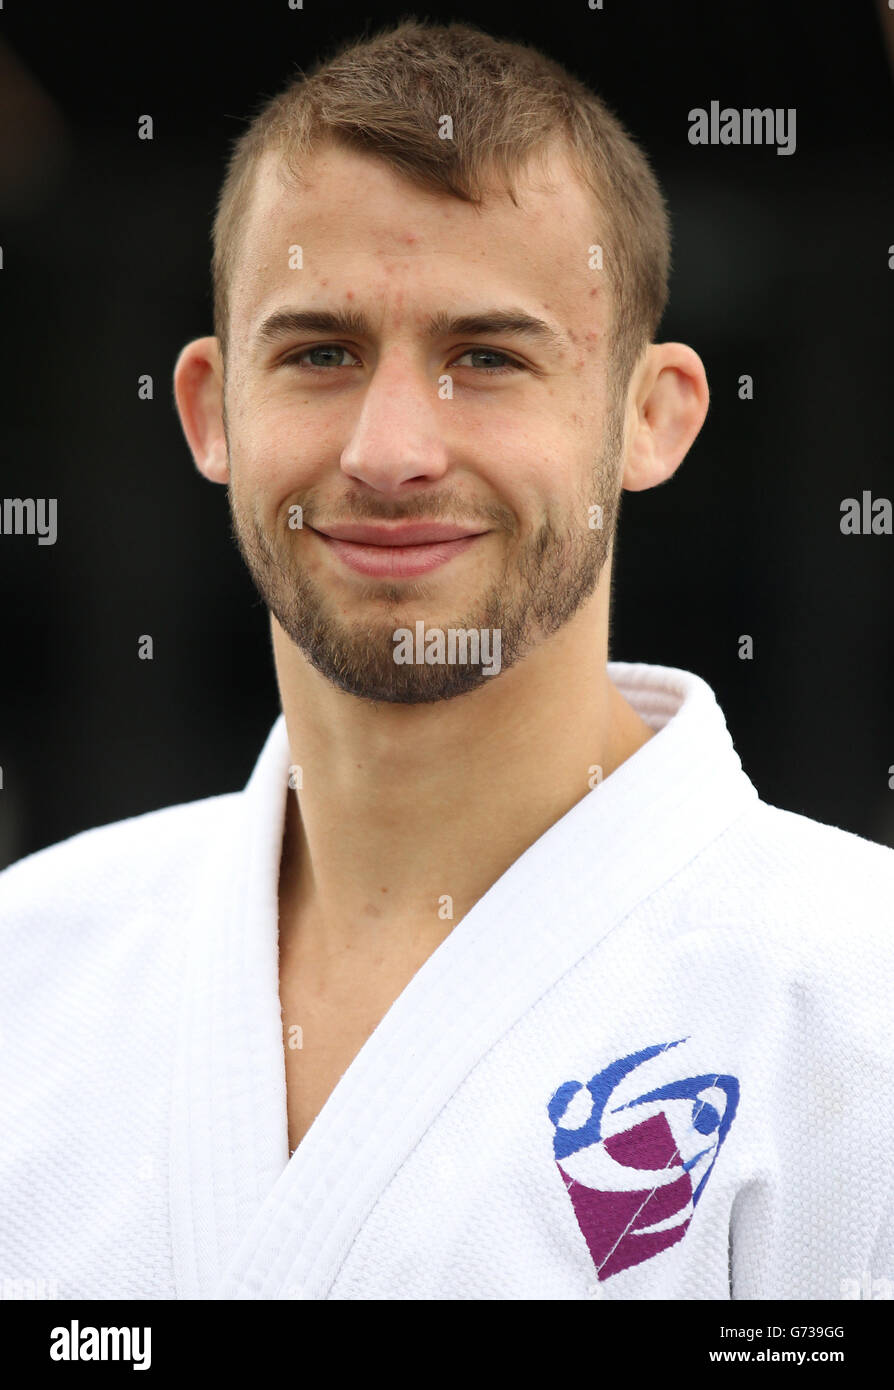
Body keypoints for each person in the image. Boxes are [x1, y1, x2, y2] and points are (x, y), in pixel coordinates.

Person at [2, 18, 892, 1303]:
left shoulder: (858, 1003)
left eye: (488, 357)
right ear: (211, 412)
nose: (393, 449)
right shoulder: (29, 968)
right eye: (320, 354)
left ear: (652, 416)